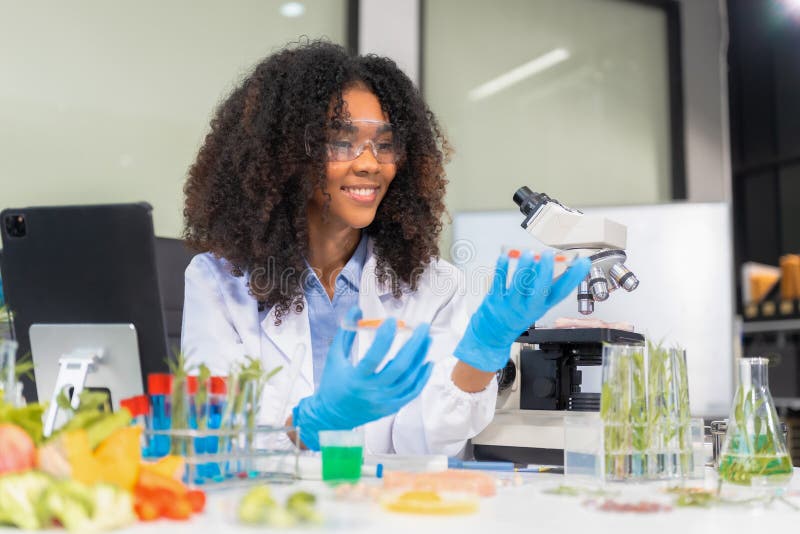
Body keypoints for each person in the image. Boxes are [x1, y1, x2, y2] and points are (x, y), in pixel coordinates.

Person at [181, 40, 590, 455]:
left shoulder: (433, 285)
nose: (370, 163)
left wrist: (483, 352)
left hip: (380, 496)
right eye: (341, 141)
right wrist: (311, 425)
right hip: (267, 497)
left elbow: (424, 441)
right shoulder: (218, 283)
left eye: (385, 144)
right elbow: (212, 440)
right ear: (282, 155)